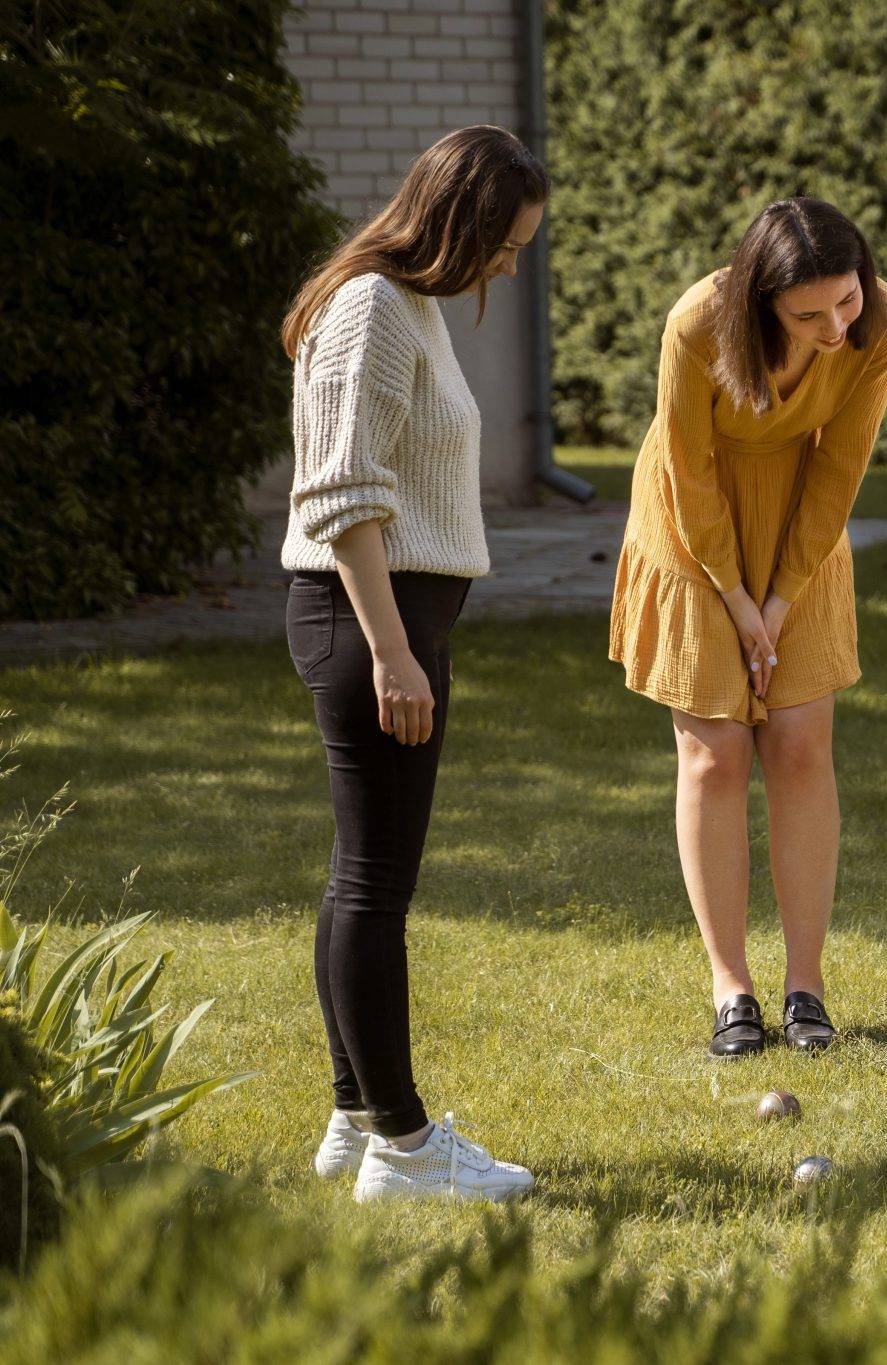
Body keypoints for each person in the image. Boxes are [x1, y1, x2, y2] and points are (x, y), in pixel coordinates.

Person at [280, 125, 546, 1202]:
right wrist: (393, 654)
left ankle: (354, 1118)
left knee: (359, 877)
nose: (510, 264)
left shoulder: (410, 305)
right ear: (462, 221)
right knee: (375, 887)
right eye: (507, 242)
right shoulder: (374, 309)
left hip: (392, 625)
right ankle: (402, 1143)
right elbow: (341, 495)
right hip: (368, 627)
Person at [609, 198, 887, 1058]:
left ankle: (806, 986)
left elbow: (841, 464)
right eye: (808, 313)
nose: (833, 327)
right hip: (690, 521)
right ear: (760, 300)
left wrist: (778, 600)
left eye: (845, 301)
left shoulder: (881, 326)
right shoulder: (698, 325)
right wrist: (737, 601)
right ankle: (731, 987)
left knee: (801, 743)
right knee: (714, 750)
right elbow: (687, 466)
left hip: (799, 524)